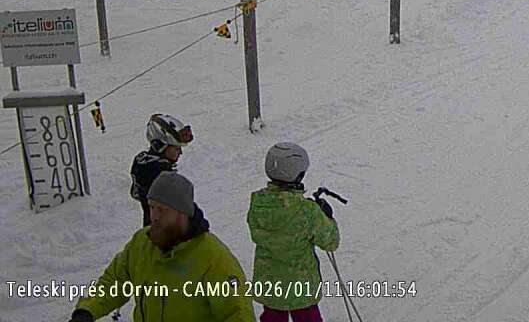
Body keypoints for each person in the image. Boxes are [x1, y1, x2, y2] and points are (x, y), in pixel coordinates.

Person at [67, 172, 256, 322]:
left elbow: (237, 314)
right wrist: (86, 311)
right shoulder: (141, 243)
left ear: (182, 213)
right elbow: (114, 283)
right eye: (151, 207)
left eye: (162, 210)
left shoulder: (214, 259)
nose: (154, 216)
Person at [248, 143, 340, 322]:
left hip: (270, 284)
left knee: (272, 317)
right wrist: (328, 218)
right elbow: (330, 242)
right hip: (300, 288)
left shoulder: (258, 204)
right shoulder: (306, 210)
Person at [130, 113, 193, 227]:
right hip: (165, 233)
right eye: (176, 148)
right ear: (159, 146)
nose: (180, 152)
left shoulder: (144, 163)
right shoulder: (160, 174)